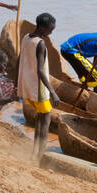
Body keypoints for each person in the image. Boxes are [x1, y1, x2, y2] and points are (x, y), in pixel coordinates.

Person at [17, 13, 60, 162]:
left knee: (40, 120)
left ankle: (35, 152)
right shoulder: (40, 43)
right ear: (42, 27)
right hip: (38, 87)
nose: (51, 33)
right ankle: (39, 155)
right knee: (45, 120)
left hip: (27, 84)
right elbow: (41, 70)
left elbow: (20, 60)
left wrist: (18, 83)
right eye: (50, 29)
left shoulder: (25, 38)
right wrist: (53, 92)